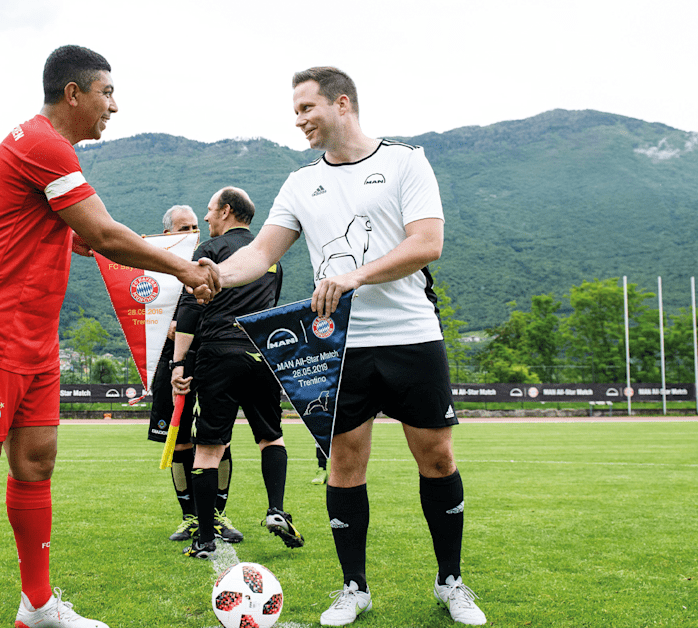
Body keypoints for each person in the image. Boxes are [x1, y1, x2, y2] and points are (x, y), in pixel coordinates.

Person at [0, 45, 219, 628]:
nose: (115, 105)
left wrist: (164, 251)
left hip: (34, 337)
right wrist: (184, 268)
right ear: (74, 93)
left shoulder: (50, 152)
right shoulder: (43, 145)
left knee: (36, 462)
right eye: (107, 92)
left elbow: (88, 237)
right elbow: (104, 235)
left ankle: (36, 607)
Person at [214, 67, 486, 626]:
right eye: (295, 110)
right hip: (336, 347)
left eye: (307, 108)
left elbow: (427, 243)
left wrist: (355, 277)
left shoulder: (406, 161)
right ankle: (353, 589)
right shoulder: (299, 182)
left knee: (437, 459)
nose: (299, 120)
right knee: (344, 463)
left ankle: (451, 582)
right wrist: (211, 275)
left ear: (343, 104)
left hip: (411, 335)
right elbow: (259, 255)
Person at [171, 186, 300, 559]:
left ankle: (206, 539)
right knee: (271, 438)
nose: (207, 217)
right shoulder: (271, 257)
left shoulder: (209, 253)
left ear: (226, 211)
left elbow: (190, 308)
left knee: (209, 448)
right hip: (261, 354)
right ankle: (276, 509)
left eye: (210, 210)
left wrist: (179, 362)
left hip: (218, 353)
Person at [148, 205, 240, 544]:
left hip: (212, 356)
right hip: (173, 362)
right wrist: (163, 329)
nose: (191, 232)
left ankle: (216, 514)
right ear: (168, 234)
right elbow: (139, 317)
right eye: (183, 227)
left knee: (218, 439)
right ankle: (189, 517)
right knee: (180, 439)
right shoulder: (154, 268)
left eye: (193, 226)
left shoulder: (210, 260)